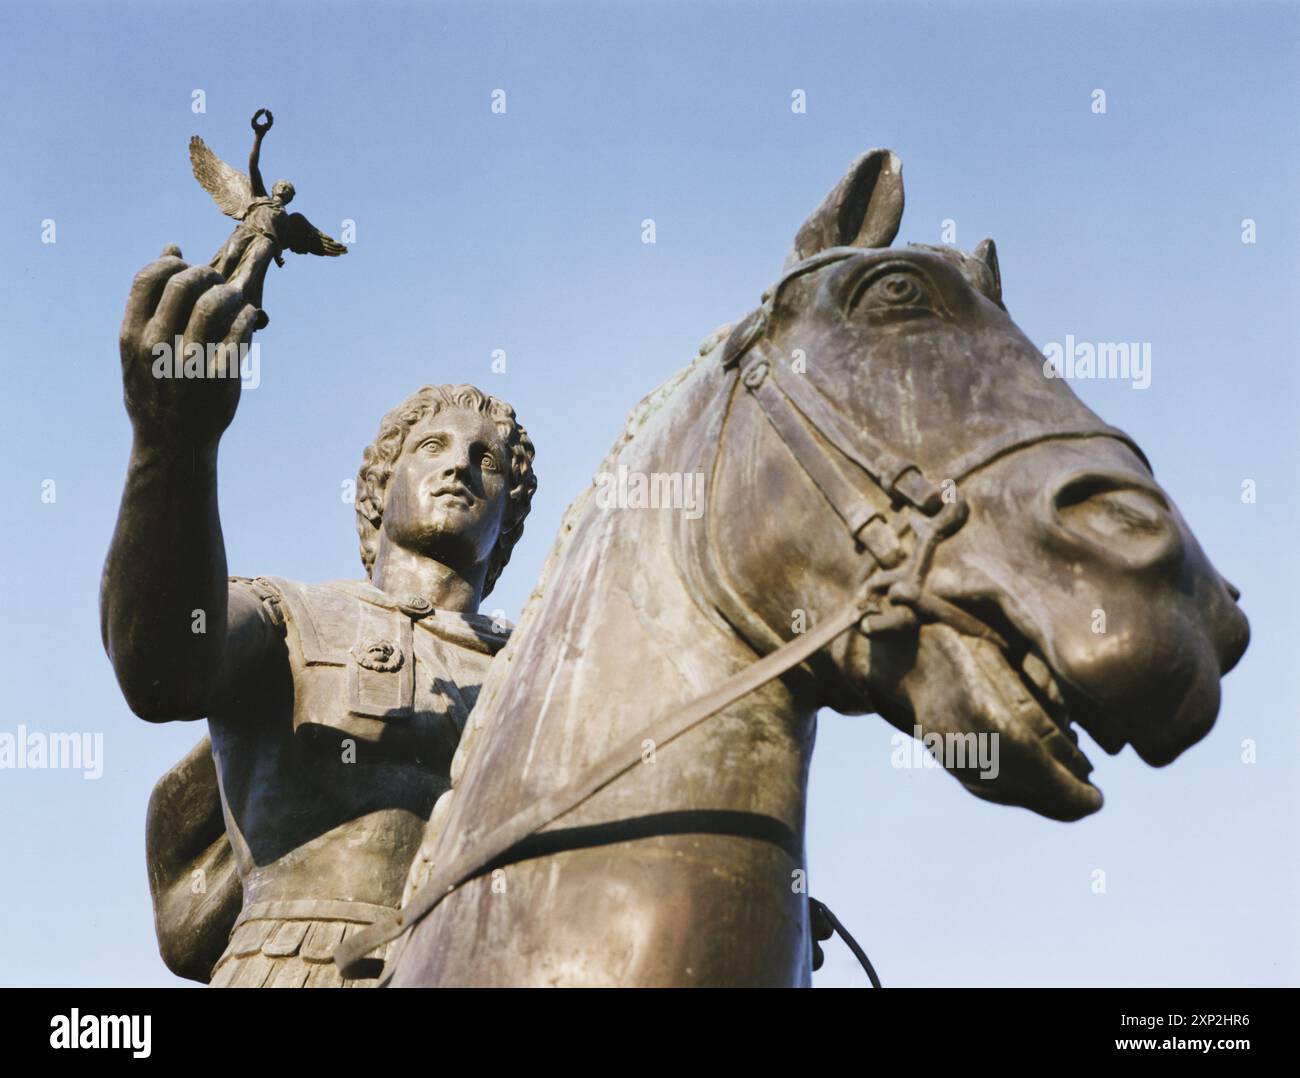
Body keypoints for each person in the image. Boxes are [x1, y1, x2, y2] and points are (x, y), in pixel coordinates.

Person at [101, 252, 535, 986]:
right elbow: (164, 667)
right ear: (375, 492)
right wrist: (173, 446)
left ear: (509, 518)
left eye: (486, 461)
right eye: (432, 447)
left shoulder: (546, 668)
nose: (461, 464)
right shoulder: (291, 618)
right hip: (295, 970)